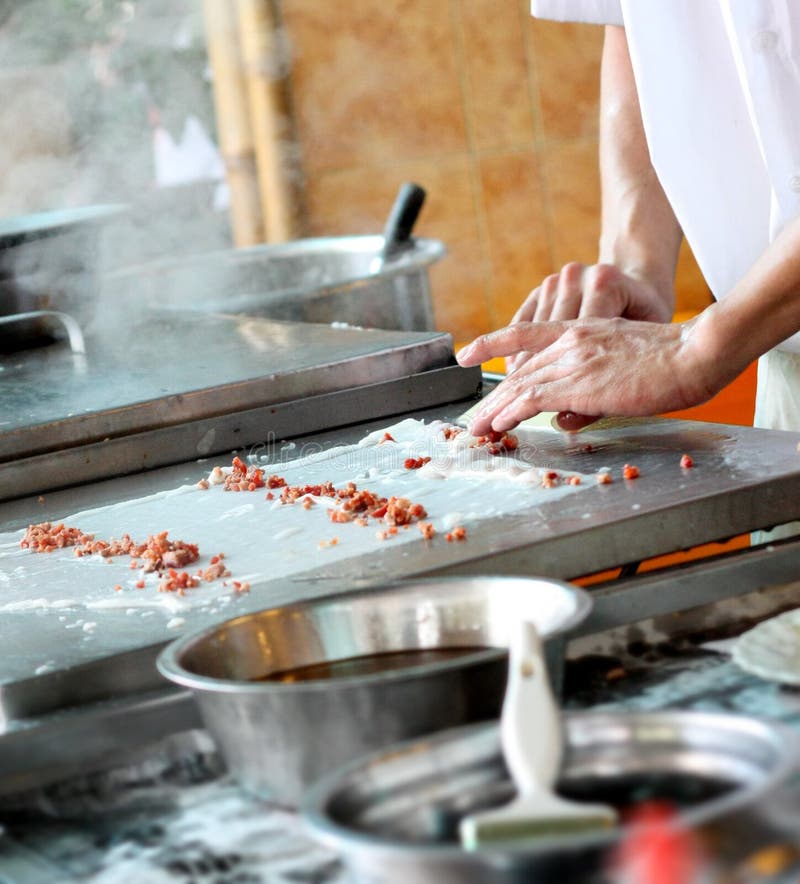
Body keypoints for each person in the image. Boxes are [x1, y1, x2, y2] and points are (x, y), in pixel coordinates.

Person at [457, 2, 800, 439]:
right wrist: (636, 263)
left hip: (740, 338)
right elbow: (642, 27)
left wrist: (698, 348)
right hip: (786, 369)